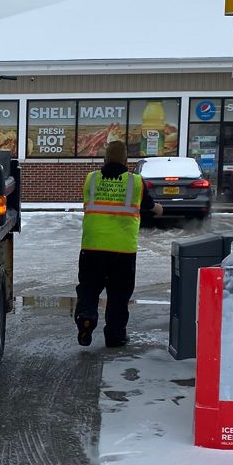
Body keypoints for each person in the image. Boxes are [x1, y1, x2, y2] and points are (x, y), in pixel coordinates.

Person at [73, 140, 157, 347]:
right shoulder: (136, 182)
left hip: (92, 247)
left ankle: (86, 318)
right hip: (123, 250)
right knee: (119, 295)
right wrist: (158, 209)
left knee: (89, 289)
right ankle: (115, 336)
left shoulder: (91, 179)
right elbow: (148, 205)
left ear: (104, 159)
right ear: (126, 161)